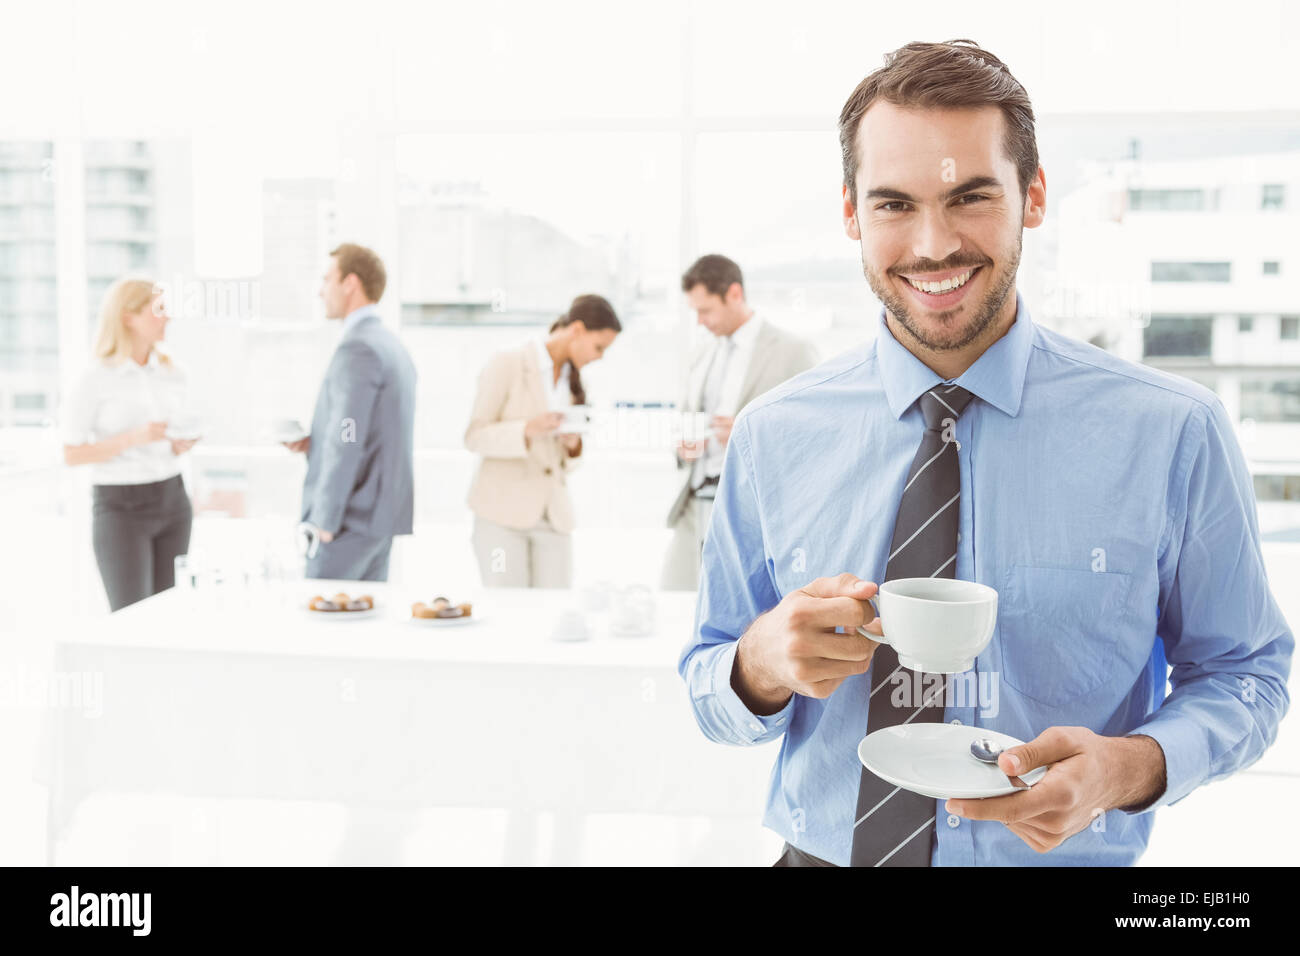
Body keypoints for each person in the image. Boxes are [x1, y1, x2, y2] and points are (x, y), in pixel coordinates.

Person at [677, 40, 1292, 867]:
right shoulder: (770, 436)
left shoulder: (1172, 431)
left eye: (969, 197)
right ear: (852, 214)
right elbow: (709, 678)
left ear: (1032, 196)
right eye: (894, 204)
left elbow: (1247, 674)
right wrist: (757, 664)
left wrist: (1129, 768)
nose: (933, 246)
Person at [661, 255, 818, 591]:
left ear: (733, 294)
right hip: (695, 500)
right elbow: (686, 416)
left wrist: (749, 436)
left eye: (705, 311)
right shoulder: (701, 354)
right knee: (674, 594)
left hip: (753, 510)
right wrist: (684, 444)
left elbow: (814, 433)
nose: (700, 322)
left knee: (740, 607)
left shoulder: (793, 351)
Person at [465, 294, 621, 588]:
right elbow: (474, 436)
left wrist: (572, 445)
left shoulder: (576, 382)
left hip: (554, 518)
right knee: (509, 615)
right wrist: (526, 429)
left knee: (554, 615)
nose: (600, 356)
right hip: (502, 517)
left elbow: (567, 462)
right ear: (576, 330)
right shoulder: (507, 362)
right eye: (599, 347)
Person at [63, 277, 196, 612]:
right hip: (121, 507)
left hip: (172, 497)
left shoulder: (173, 372)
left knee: (167, 614)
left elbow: (171, 432)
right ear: (128, 317)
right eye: (159, 309)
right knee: (131, 617)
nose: (168, 317)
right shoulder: (94, 378)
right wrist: (132, 438)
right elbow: (71, 453)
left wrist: (180, 442)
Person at [286, 243, 416, 581]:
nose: (320, 291)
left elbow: (347, 439)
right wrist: (315, 441)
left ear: (350, 283)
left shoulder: (357, 347)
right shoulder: (391, 344)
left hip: (348, 521)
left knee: (322, 625)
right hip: (379, 521)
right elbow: (361, 428)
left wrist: (326, 520)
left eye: (327, 279)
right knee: (363, 627)